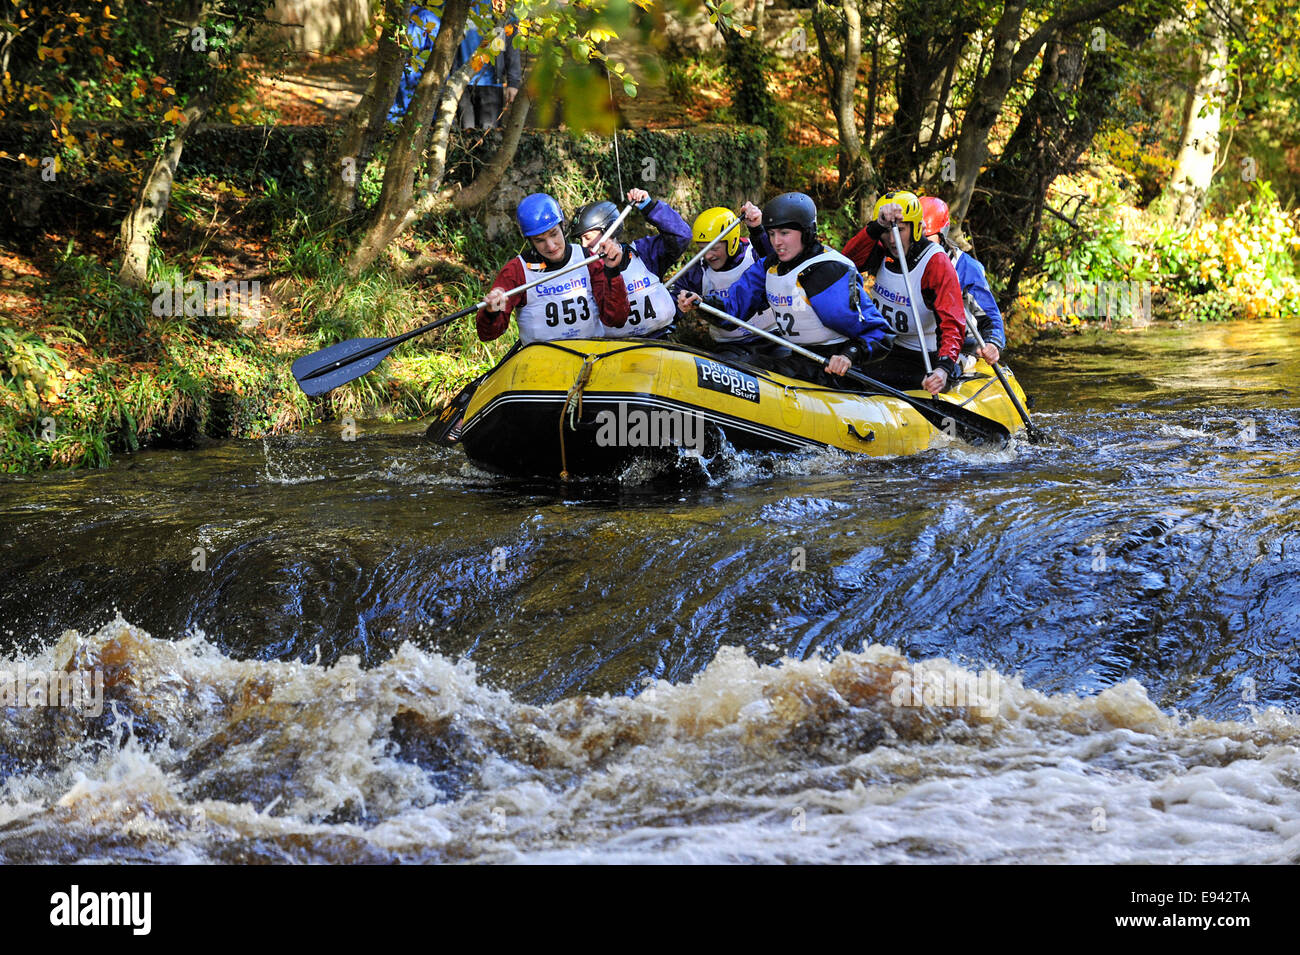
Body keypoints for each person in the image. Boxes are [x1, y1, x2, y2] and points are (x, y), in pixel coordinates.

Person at [677, 192, 892, 386]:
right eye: (771, 234)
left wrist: (849, 355)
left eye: (784, 233)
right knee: (734, 369)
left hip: (835, 369)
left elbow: (880, 333)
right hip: (798, 359)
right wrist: (701, 304)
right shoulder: (770, 266)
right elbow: (734, 307)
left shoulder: (827, 272)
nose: (776, 242)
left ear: (807, 232)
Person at [842, 190, 966, 396]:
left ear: (916, 228)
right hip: (882, 347)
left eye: (899, 230)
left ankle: (958, 367)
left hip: (921, 357)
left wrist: (943, 368)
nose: (892, 239)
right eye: (886, 231)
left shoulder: (936, 262)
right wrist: (874, 229)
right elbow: (846, 261)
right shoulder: (881, 247)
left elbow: (951, 323)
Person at [476, 193, 629, 343]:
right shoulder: (516, 271)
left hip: (591, 354)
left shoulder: (588, 259)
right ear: (530, 240)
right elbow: (487, 335)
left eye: (554, 234)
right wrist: (491, 312)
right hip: (544, 362)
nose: (550, 245)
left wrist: (613, 272)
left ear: (563, 225)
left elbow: (616, 319)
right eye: (539, 240)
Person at [669, 202, 786, 366]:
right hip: (731, 346)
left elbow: (779, 262)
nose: (708, 256)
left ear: (731, 242)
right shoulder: (698, 271)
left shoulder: (755, 252)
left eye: (714, 248)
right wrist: (681, 302)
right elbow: (670, 304)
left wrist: (758, 229)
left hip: (773, 336)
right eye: (702, 249)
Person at [571, 188, 692, 339]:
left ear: (609, 229)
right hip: (616, 349)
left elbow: (682, 236)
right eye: (580, 240)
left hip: (660, 341)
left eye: (588, 237)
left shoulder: (644, 252)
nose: (584, 245)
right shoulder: (585, 269)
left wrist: (649, 207)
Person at [388, 2, 522, 129]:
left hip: (490, 82)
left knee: (490, 135)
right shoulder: (451, 5)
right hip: (460, 80)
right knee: (466, 132)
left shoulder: (499, 5)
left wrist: (513, 82)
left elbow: (512, 47)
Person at [919, 196, 1006, 367]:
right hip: (915, 345)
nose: (920, 244)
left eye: (926, 237)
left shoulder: (965, 267)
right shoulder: (898, 257)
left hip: (961, 349)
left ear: (941, 235)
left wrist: (992, 343)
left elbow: (990, 317)